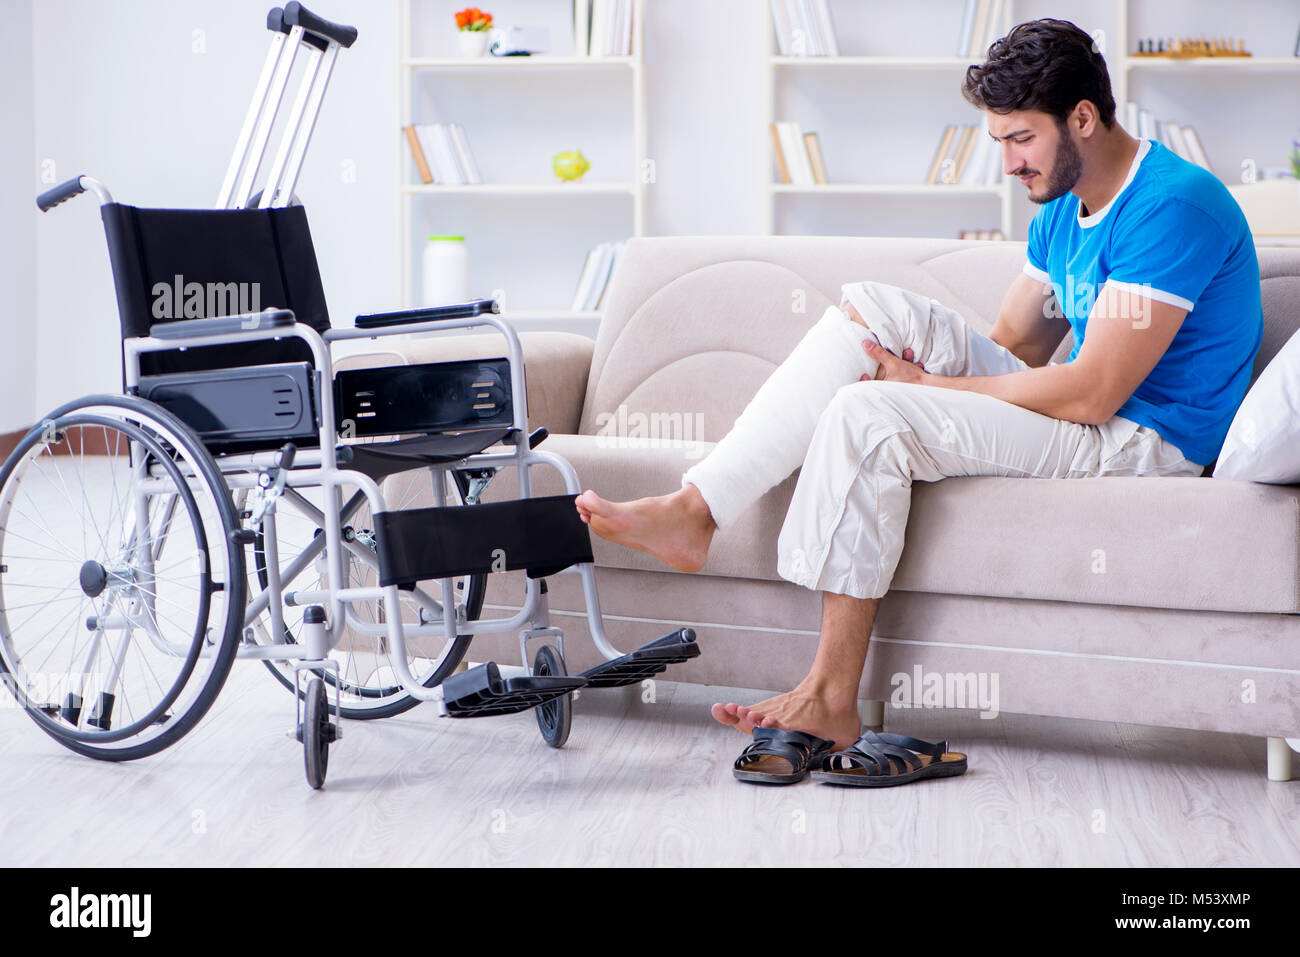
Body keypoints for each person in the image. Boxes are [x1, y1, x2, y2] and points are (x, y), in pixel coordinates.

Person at [574, 19, 1263, 765]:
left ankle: (832, 694)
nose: (1007, 162)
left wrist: (929, 389)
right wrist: (914, 366)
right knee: (873, 309)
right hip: (1090, 413)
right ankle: (695, 508)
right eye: (998, 140)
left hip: (1141, 439)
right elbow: (1016, 343)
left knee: (873, 416)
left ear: (1084, 119)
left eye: (1020, 138)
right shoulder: (1063, 205)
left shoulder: (1173, 205)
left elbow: (1095, 393)